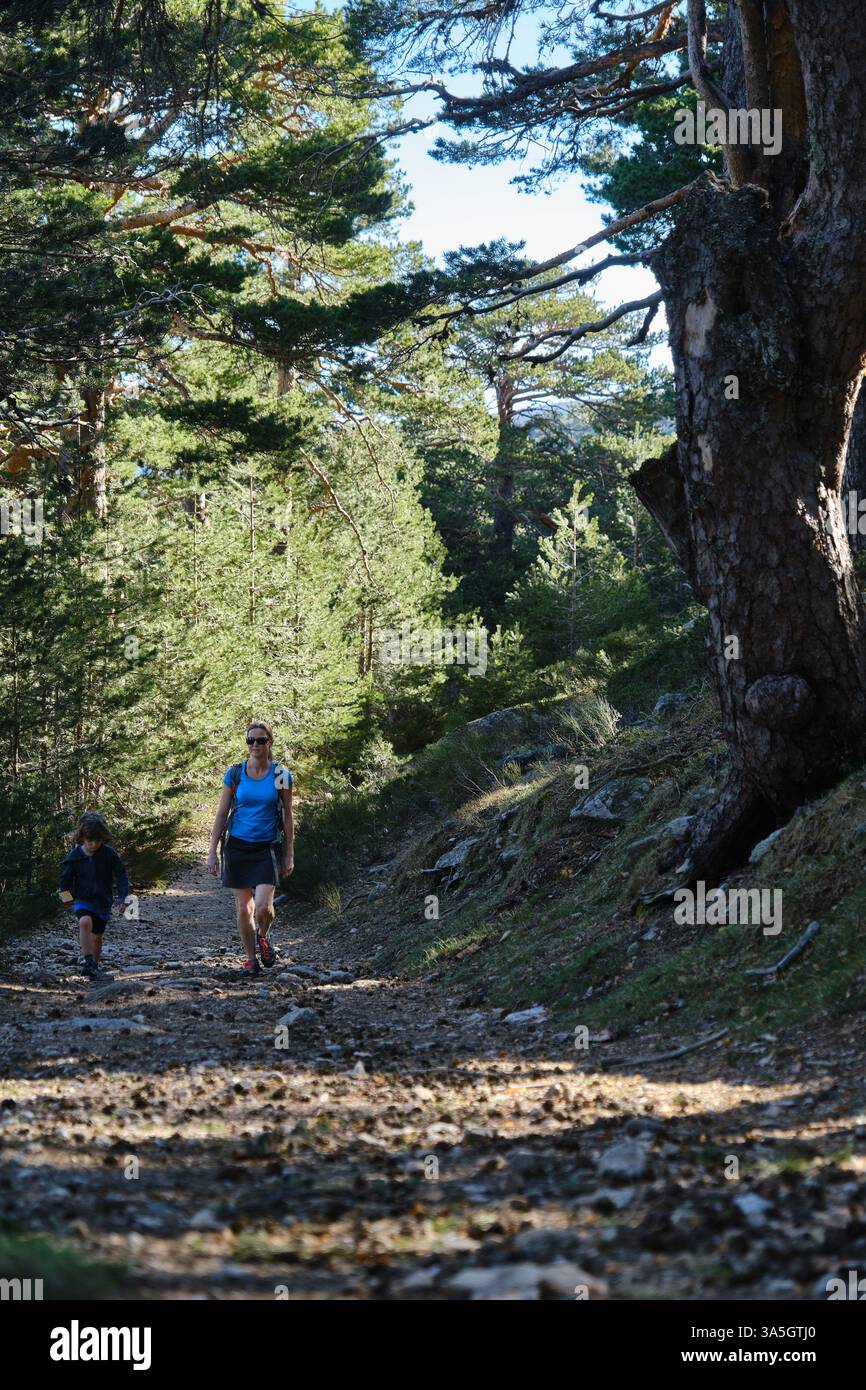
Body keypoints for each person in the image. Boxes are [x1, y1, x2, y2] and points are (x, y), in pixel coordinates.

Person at [206, 721, 294, 976]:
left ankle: (263, 935)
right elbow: (222, 813)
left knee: (264, 906)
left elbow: (288, 816)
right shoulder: (235, 773)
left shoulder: (280, 775)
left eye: (261, 740)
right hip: (237, 846)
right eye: (251, 740)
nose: (255, 745)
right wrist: (212, 851)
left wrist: (289, 853)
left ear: (270, 743)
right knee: (243, 907)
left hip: (267, 847)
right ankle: (250, 960)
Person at [59, 812, 132, 978]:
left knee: (97, 936)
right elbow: (65, 880)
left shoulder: (109, 854)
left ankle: (95, 967)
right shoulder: (75, 856)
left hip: (103, 901)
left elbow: (121, 875)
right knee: (84, 922)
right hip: (82, 899)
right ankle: (88, 960)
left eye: (98, 841)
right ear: (82, 838)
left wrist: (123, 898)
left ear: (103, 838)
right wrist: (66, 898)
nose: (93, 844)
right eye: (89, 841)